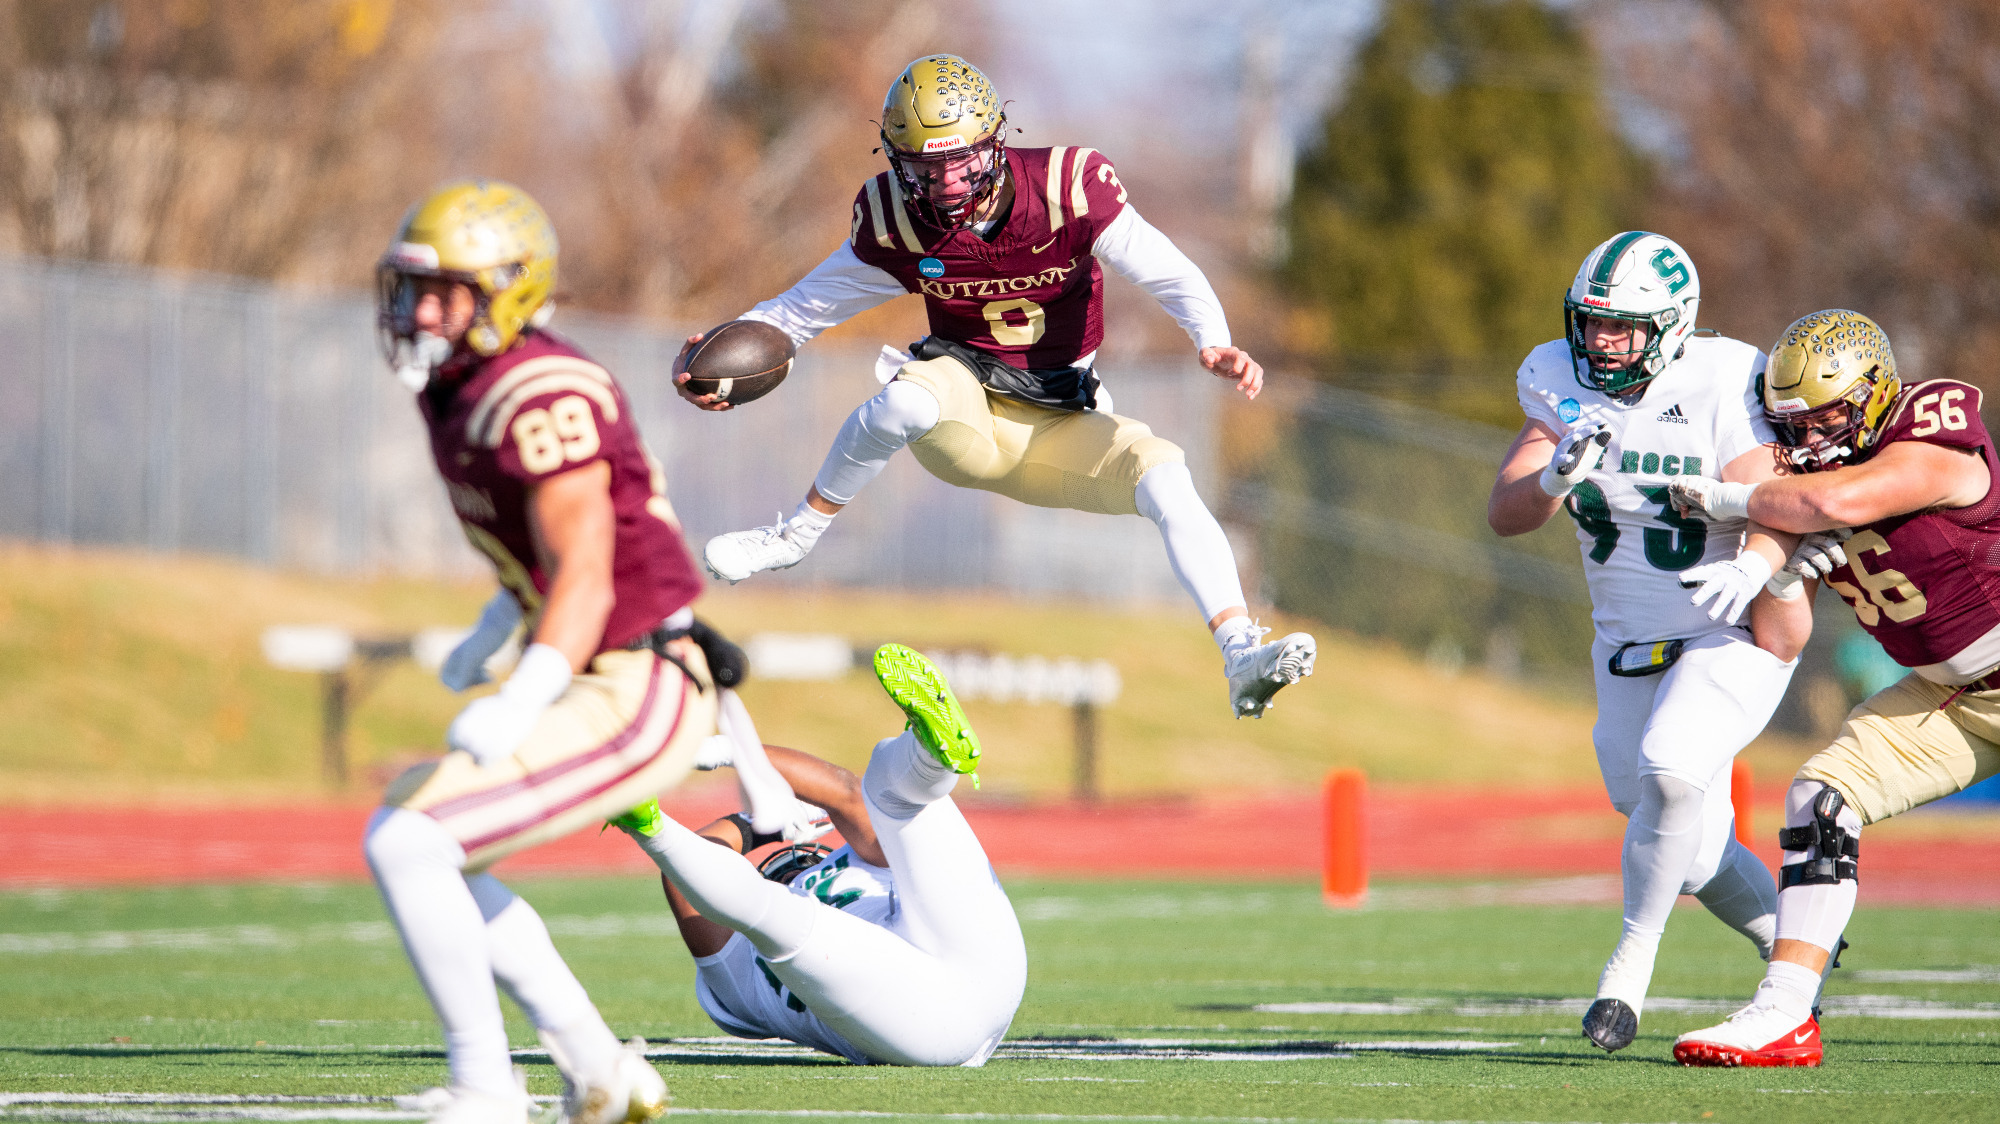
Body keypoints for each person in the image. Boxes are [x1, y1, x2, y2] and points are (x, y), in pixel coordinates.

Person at [678, 54, 1314, 720]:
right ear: (897, 160)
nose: (946, 183)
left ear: (995, 142)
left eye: (960, 162)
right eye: (924, 167)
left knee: (1167, 477)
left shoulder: (1068, 188)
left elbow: (1169, 272)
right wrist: (718, 352)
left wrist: (1210, 337)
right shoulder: (895, 219)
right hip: (966, 409)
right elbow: (804, 310)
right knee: (905, 397)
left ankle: (1241, 653)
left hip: (1062, 419)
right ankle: (796, 536)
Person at [365, 180, 714, 1124]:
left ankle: (485, 1085)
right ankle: (602, 1070)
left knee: (412, 842)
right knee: (425, 838)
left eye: (443, 292)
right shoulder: (465, 388)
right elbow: (544, 558)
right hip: (605, 666)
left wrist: (525, 692)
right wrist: (499, 619)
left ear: (507, 292)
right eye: (410, 289)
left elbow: (590, 578)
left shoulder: (536, 394)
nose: (416, 312)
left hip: (638, 680)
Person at [1485, 231, 1806, 1054]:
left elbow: (1781, 502)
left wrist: (1746, 547)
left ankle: (1625, 978)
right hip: (1625, 642)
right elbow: (1506, 511)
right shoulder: (1554, 376)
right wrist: (1553, 475)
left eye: (1620, 328)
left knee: (1671, 769)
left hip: (1727, 623)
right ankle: (1793, 950)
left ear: (1672, 325)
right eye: (1589, 325)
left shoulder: (1723, 376)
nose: (1598, 343)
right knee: (1680, 840)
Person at [1669, 310, 1998, 1067]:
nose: (1810, 439)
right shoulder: (1801, 482)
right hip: (1951, 694)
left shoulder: (1932, 437)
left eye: (1829, 417)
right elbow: (1785, 636)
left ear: (1878, 395)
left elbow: (1835, 504)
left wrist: (1736, 501)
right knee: (1822, 799)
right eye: (1794, 423)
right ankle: (1784, 1014)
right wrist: (1777, 572)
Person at [612, 644, 1027, 1066]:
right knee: (891, 798)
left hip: (930, 1025)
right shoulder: (861, 857)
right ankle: (926, 763)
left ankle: (649, 825)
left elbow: (685, 878)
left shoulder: (737, 987)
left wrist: (756, 824)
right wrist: (725, 761)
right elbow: (844, 791)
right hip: (988, 967)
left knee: (769, 913)